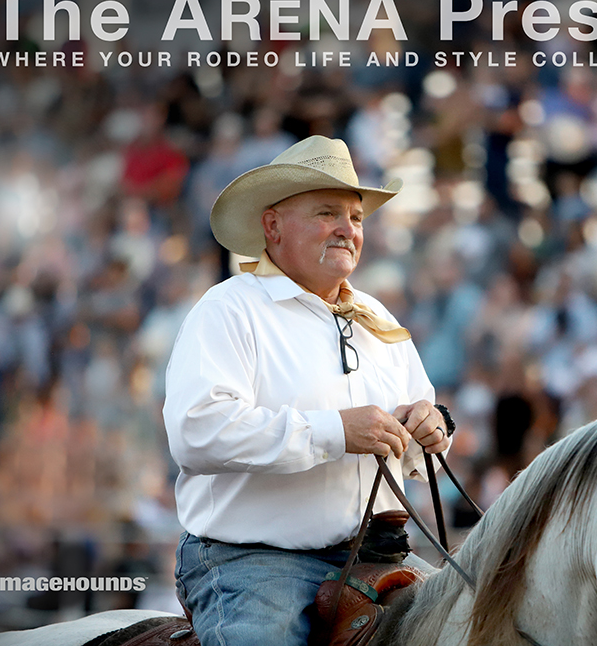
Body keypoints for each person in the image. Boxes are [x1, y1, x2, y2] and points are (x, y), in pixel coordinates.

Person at [163, 135, 452, 646]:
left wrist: (430, 426)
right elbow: (197, 432)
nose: (347, 230)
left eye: (356, 218)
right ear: (272, 226)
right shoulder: (229, 308)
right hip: (254, 558)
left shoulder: (377, 318)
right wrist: (335, 431)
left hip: (376, 555)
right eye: (327, 213)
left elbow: (418, 430)